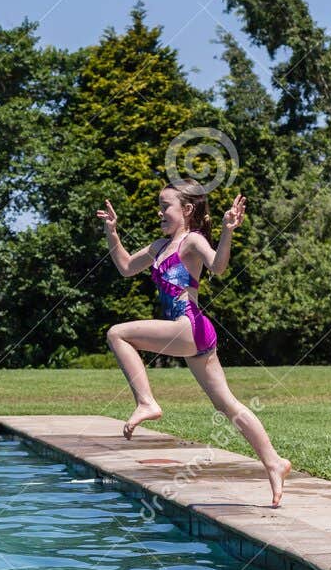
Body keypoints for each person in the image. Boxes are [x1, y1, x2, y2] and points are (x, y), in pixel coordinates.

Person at [96, 180, 292, 507]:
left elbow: (218, 265)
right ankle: (274, 462)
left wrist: (228, 230)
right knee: (226, 405)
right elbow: (127, 267)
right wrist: (112, 232)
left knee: (117, 333)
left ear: (186, 210)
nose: (159, 212)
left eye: (165, 207)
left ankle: (147, 403)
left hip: (189, 325)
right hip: (195, 333)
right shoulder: (160, 246)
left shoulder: (193, 241)